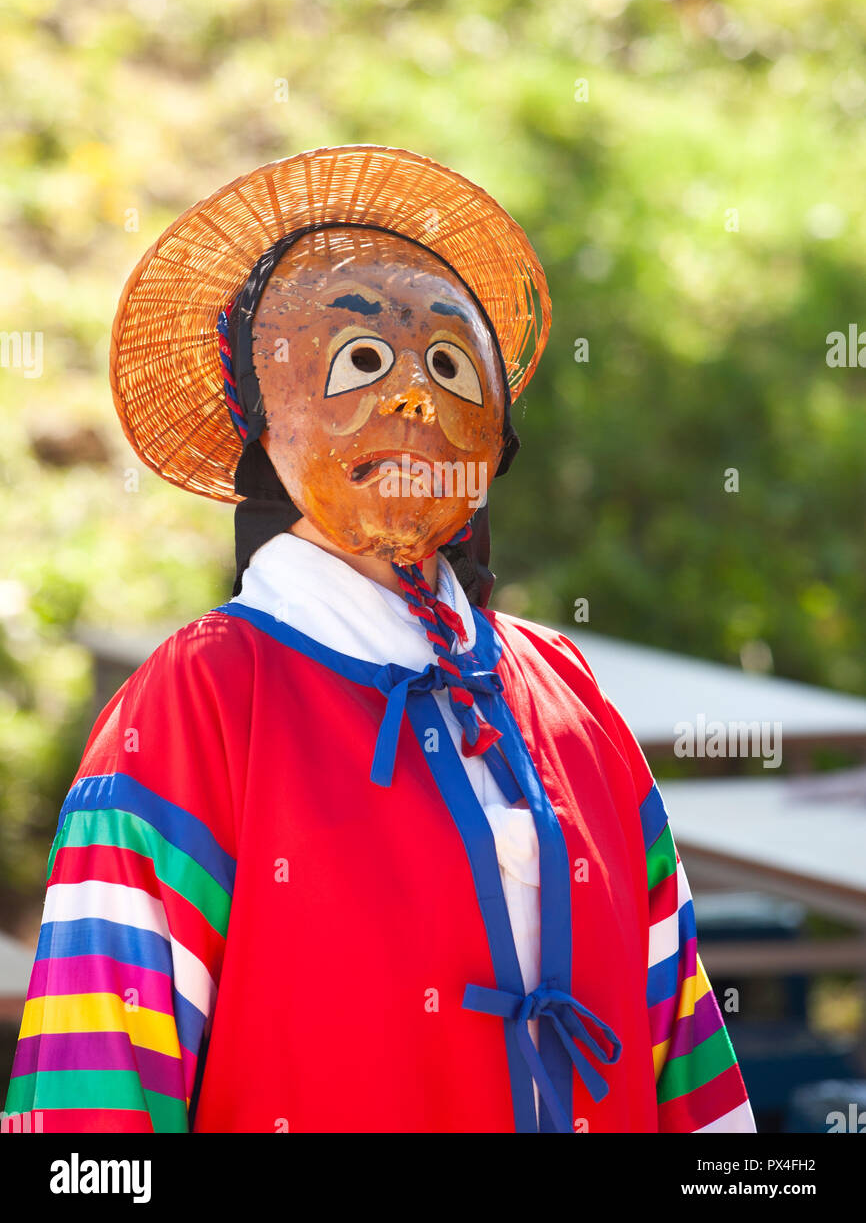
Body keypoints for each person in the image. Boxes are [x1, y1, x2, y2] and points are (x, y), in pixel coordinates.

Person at [4, 145, 754, 1133]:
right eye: (358, 362)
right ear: (263, 426)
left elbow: (686, 1060)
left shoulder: (563, 693)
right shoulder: (199, 704)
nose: (413, 400)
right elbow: (92, 1109)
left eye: (449, 365)